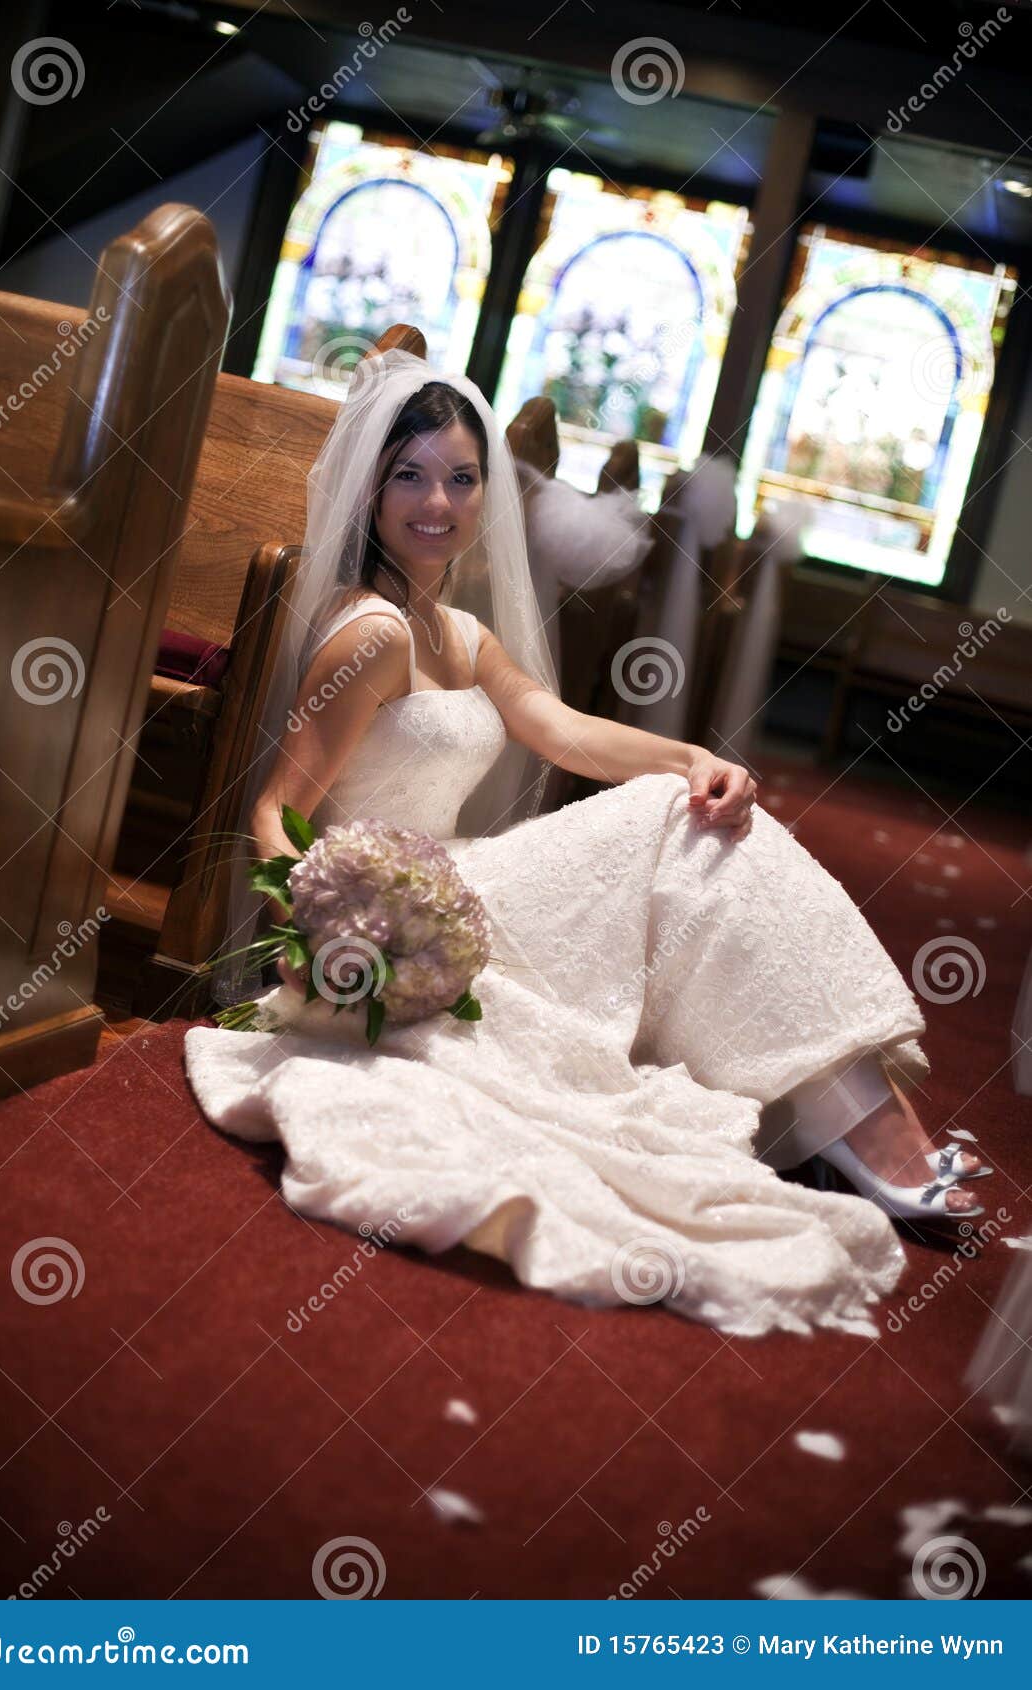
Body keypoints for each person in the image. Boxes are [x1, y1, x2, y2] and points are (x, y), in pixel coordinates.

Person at [184, 350, 992, 1340]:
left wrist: (689, 753)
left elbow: (560, 731)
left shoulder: (458, 631)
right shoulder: (374, 635)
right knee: (676, 824)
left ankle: (850, 1115)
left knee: (687, 812)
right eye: (410, 476)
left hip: (456, 884)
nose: (437, 501)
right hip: (397, 911)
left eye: (460, 477)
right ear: (369, 488)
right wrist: (329, 928)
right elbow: (277, 806)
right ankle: (862, 1126)